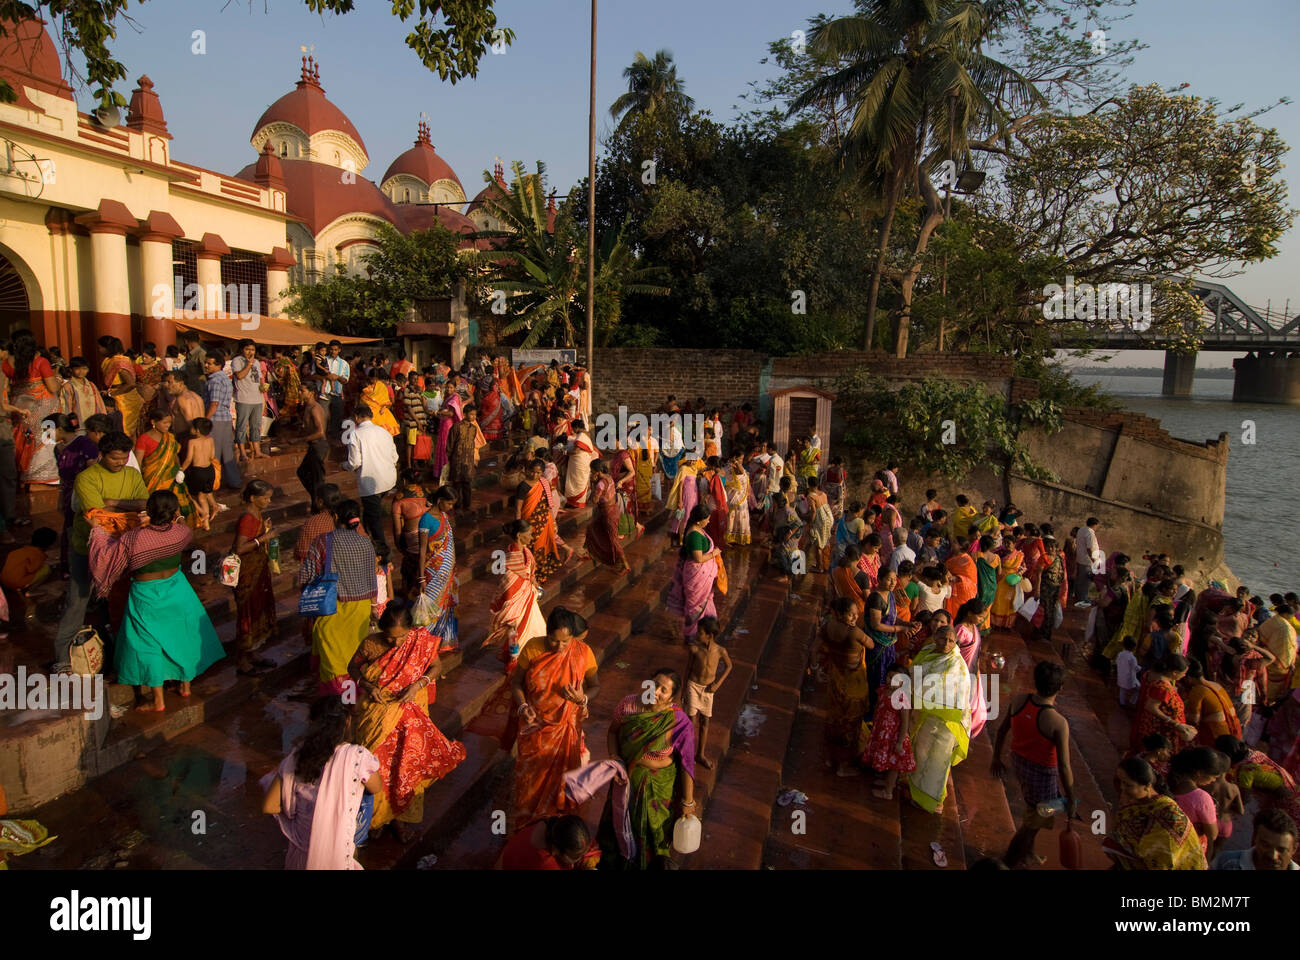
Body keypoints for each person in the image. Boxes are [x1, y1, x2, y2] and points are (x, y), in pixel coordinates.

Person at [92, 490, 224, 711]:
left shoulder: (134, 537)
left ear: (148, 512)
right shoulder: (182, 533)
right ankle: (185, 686)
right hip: (177, 589)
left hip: (146, 594)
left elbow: (110, 561)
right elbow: (185, 527)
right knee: (182, 636)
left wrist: (96, 529)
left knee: (147, 644)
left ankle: (158, 701)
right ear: (173, 513)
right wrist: (180, 517)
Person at [349, 603, 465, 843]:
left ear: (410, 630)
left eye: (401, 637)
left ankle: (400, 821)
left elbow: (436, 667)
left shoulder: (420, 642)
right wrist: (368, 686)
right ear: (382, 631)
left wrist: (417, 685)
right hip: (376, 714)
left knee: (407, 766)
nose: (396, 644)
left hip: (411, 711)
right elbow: (353, 667)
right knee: (376, 766)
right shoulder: (371, 644)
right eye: (390, 638)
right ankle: (375, 819)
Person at [52, 431, 147, 670]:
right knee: (78, 600)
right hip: (88, 547)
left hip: (123, 546)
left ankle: (120, 653)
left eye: (124, 457)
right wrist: (128, 510)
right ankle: (63, 658)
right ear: (102, 454)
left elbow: (144, 505)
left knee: (118, 601)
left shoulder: (133, 474)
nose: (121, 463)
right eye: (115, 458)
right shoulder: (87, 477)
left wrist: (112, 502)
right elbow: (97, 515)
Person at [261, 697, 383, 870]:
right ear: (347, 722)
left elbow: (269, 806)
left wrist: (298, 829)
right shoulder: (356, 756)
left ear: (311, 723)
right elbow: (376, 787)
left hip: (300, 854)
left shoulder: (296, 757)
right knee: (365, 791)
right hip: (338, 852)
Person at [509, 607, 600, 824]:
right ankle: (528, 825)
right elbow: (516, 683)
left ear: (572, 638)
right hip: (535, 727)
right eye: (553, 640)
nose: (559, 647)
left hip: (567, 727)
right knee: (531, 780)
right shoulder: (533, 648)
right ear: (546, 634)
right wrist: (522, 707)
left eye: (565, 642)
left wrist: (582, 699)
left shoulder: (583, 652)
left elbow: (595, 685)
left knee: (563, 781)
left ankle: (558, 824)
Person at [599, 667, 695, 869]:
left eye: (663, 690)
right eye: (654, 685)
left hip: (655, 792)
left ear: (671, 699)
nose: (656, 692)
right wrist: (615, 757)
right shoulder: (628, 705)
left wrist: (688, 802)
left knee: (651, 832)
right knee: (618, 828)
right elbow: (612, 733)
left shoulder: (679, 722)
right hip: (624, 783)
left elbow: (686, 763)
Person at [990, 660, 1079, 868]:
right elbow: (1064, 765)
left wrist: (996, 757)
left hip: (1019, 763)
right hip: (1042, 773)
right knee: (1033, 822)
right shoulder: (1058, 722)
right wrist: (1072, 797)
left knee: (1034, 811)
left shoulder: (1019, 700)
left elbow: (1002, 731)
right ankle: (1010, 860)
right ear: (1060, 688)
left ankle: (1028, 853)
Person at [299, 498, 377, 696]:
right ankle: (351, 699)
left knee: (333, 657)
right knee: (353, 655)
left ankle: (338, 699)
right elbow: (372, 577)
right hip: (360, 608)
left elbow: (308, 575)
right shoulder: (365, 543)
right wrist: (374, 607)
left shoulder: (322, 541)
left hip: (332, 607)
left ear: (335, 516)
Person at [908, 626, 972, 815]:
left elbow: (937, 689)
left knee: (936, 761)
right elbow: (915, 673)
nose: (946, 644)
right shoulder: (928, 650)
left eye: (951, 641)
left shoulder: (955, 664)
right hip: (923, 714)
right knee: (920, 753)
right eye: (943, 639)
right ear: (935, 637)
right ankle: (916, 793)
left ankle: (934, 801)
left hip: (943, 721)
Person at [1102, 757, 1206, 869]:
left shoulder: (1169, 818)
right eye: (1121, 782)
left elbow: (1163, 861)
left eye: (1128, 785)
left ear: (1147, 786)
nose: (1122, 788)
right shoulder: (1137, 805)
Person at [818, 596, 873, 778]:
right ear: (840, 614)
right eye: (851, 614)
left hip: (835, 680)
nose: (855, 618)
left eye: (856, 614)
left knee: (834, 720)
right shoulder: (854, 632)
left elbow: (816, 647)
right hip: (853, 684)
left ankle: (829, 759)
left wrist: (814, 667)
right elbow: (871, 644)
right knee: (849, 725)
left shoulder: (827, 627)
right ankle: (843, 766)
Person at [486, 518, 548, 674]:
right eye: (529, 534)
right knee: (516, 634)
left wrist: (535, 586)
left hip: (528, 599)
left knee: (536, 631)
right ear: (520, 535)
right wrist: (511, 610)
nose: (532, 537)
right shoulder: (511, 558)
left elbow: (531, 574)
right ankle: (514, 662)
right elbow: (508, 587)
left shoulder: (526, 551)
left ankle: (521, 660)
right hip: (516, 603)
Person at [230, 479, 278, 676]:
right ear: (252, 498)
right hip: (247, 575)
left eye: (269, 498)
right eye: (264, 498)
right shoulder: (247, 518)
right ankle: (242, 660)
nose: (268, 501)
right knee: (248, 615)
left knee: (258, 610)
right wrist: (264, 538)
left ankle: (253, 653)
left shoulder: (256, 514)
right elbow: (239, 548)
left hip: (258, 571)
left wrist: (264, 530)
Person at [345, 405, 399, 551]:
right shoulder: (384, 431)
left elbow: (354, 463)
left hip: (371, 483)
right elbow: (395, 457)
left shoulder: (356, 434)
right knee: (370, 513)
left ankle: (382, 552)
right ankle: (367, 537)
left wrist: (345, 466)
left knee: (374, 518)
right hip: (388, 479)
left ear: (356, 417)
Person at [666, 504, 720, 641]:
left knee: (704, 603)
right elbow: (698, 558)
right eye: (707, 519)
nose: (708, 521)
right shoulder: (694, 535)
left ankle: (706, 633)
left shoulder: (698, 530)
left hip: (701, 576)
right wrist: (714, 553)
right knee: (695, 607)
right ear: (699, 520)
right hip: (695, 577)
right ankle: (693, 634)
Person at [415, 486, 459, 654]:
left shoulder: (444, 516)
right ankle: (423, 646)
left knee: (444, 608)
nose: (451, 507)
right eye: (449, 503)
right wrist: (421, 578)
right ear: (439, 500)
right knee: (430, 609)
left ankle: (439, 645)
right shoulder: (426, 520)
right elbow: (422, 550)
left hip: (447, 571)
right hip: (433, 572)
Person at [684, 615, 732, 770]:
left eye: (700, 633)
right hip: (693, 685)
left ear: (709, 636)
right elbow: (688, 669)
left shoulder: (720, 651)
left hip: (708, 690)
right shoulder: (694, 649)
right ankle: (689, 753)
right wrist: (684, 690)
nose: (697, 635)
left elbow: (729, 666)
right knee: (692, 721)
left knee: (705, 723)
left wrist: (717, 684)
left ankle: (700, 754)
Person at [513, 459, 569, 583]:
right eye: (532, 472)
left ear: (542, 473)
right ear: (527, 471)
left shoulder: (543, 483)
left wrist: (553, 522)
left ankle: (540, 575)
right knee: (531, 551)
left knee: (542, 549)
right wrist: (518, 526)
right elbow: (518, 508)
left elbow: (548, 504)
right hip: (529, 525)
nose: (534, 475)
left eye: (538, 473)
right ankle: (531, 576)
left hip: (544, 522)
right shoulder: (523, 486)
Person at [133, 409, 194, 522]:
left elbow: (174, 455)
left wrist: (179, 470)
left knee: (174, 506)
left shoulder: (170, 437)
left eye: (169, 422)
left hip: (171, 478)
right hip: (152, 480)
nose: (168, 425)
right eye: (164, 423)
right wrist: (138, 481)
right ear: (153, 422)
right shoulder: (144, 439)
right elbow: (138, 462)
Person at [1131, 653, 1197, 751]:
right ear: (1174, 673)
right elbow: (1151, 706)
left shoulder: (1152, 675)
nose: (1184, 675)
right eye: (1183, 673)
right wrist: (1174, 723)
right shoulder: (1163, 688)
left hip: (1151, 725)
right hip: (1160, 730)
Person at [1166, 747, 1224, 857]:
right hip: (1189, 851)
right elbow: (1212, 834)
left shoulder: (1167, 782)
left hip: (1168, 846)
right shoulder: (1201, 798)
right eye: (1213, 777)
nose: (1213, 780)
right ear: (1199, 773)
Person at [582, 459, 631, 575]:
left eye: (592, 471)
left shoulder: (600, 484)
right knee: (591, 528)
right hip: (612, 510)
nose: (591, 473)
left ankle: (625, 565)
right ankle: (589, 552)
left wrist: (592, 484)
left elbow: (594, 500)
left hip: (608, 513)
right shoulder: (608, 477)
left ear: (597, 472)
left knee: (613, 540)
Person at [202, 351, 241, 491]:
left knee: (215, 454)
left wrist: (204, 421)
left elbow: (214, 403)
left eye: (209, 363)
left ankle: (214, 483)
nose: (206, 365)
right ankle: (234, 481)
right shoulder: (224, 378)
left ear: (218, 365)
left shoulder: (215, 380)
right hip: (225, 418)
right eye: (206, 362)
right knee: (228, 452)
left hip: (216, 419)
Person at [1210, 809, 1300, 870]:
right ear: (1254, 838)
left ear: (1294, 849)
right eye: (1266, 845)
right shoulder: (1225, 863)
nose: (1273, 855)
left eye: (1281, 850)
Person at [501, 814, 599, 870]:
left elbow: (587, 846)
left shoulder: (555, 823)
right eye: (573, 858)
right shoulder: (545, 864)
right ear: (555, 850)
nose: (578, 859)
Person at [1182, 658, 1242, 746]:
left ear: (1189, 678)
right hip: (1233, 734)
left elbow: (1193, 720)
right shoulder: (1216, 685)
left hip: (1216, 736)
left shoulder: (1197, 691)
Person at [231, 339, 268, 461]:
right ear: (242, 349)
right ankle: (242, 452)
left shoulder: (257, 362)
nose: (250, 352)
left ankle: (257, 451)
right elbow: (240, 376)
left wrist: (263, 387)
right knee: (241, 427)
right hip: (243, 399)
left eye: (252, 349)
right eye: (247, 349)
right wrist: (249, 364)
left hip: (257, 398)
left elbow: (259, 379)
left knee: (256, 426)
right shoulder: (237, 361)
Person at [98, 335, 141, 438]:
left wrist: (111, 393)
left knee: (124, 429)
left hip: (124, 399)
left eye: (100, 347)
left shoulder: (120, 362)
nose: (99, 350)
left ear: (107, 348)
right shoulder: (109, 360)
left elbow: (131, 384)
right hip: (114, 397)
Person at [446, 402, 483, 512]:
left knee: (467, 484)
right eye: (471, 414)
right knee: (456, 485)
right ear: (465, 414)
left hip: (468, 461)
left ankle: (467, 505)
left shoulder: (473, 429)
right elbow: (450, 444)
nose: (473, 417)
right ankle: (457, 506)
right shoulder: (456, 427)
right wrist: (450, 458)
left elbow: (472, 444)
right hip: (457, 460)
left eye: (474, 415)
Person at [58, 355, 106, 426]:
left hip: (93, 423)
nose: (81, 371)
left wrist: (103, 418)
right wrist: (70, 423)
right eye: (77, 368)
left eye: (84, 368)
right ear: (71, 369)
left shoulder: (91, 385)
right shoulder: (68, 386)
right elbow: (66, 406)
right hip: (78, 424)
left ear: (88, 370)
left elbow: (99, 403)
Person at [563, 420, 598, 508]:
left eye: (573, 428)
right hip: (581, 461)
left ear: (577, 427)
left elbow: (576, 450)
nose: (573, 430)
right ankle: (577, 502)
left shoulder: (582, 435)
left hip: (579, 462)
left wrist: (566, 452)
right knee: (579, 481)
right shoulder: (585, 434)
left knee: (577, 481)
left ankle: (575, 502)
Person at [1073, 517, 1101, 606]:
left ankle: (1079, 598)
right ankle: (1083, 600)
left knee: (1080, 581)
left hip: (1080, 559)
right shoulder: (1090, 532)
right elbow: (1089, 548)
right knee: (1085, 582)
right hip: (1087, 561)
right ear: (1095, 525)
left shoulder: (1081, 530)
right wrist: (1094, 560)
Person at [1117, 636, 1141, 707]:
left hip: (1121, 675)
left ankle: (1122, 703)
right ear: (1134, 647)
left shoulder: (1120, 654)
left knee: (1122, 690)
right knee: (1139, 688)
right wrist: (1140, 668)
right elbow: (1136, 668)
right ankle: (1133, 701)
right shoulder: (1132, 658)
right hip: (1130, 678)